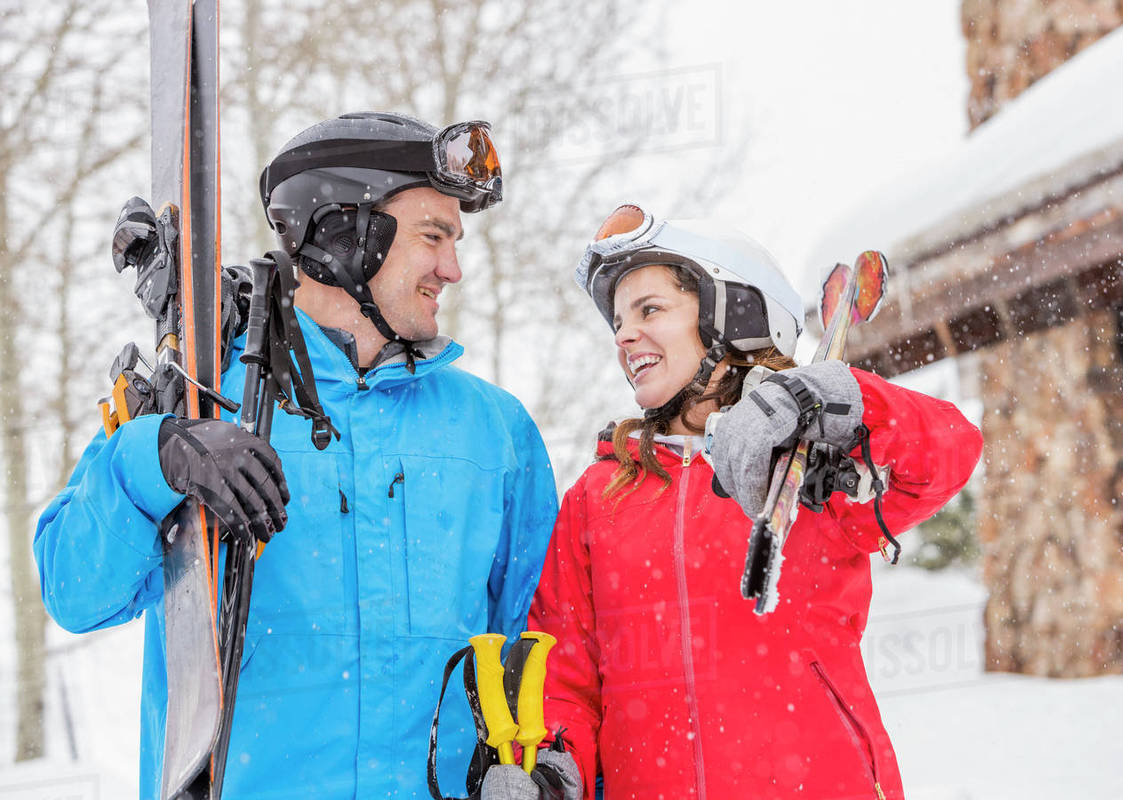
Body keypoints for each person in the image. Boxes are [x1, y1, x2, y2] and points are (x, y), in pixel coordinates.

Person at [34, 112, 559, 799]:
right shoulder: (201, 397)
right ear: (346, 232)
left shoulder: (493, 432)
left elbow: (549, 647)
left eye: (455, 240)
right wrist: (153, 459)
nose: (452, 269)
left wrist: (552, 772)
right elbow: (75, 594)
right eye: (434, 236)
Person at [527, 204, 983, 799]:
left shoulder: (816, 462)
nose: (624, 335)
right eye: (619, 320)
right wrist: (553, 763)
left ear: (733, 313)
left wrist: (847, 405)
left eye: (650, 309)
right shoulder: (599, 496)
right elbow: (565, 675)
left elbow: (948, 452)